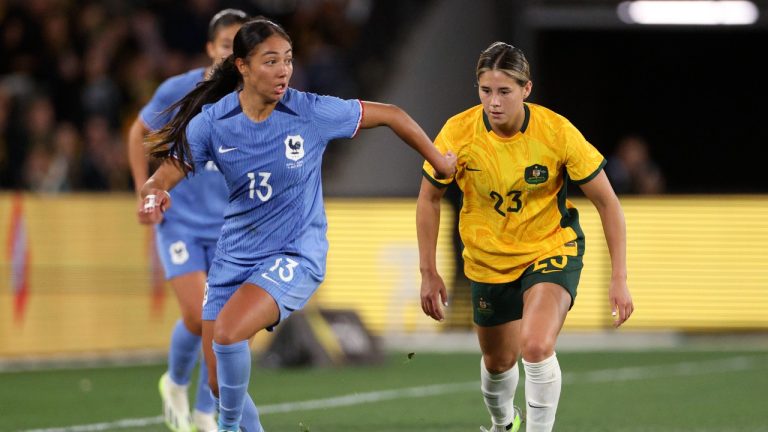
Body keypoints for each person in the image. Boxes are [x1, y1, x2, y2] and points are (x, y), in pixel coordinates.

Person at [140, 18, 456, 432]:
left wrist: (438, 159)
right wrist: (154, 193)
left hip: (295, 253)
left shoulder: (309, 111)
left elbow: (392, 115)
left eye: (288, 60)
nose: (284, 70)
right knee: (218, 382)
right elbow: (165, 173)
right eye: (271, 61)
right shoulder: (213, 122)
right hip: (233, 257)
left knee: (229, 335)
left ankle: (229, 429)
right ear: (242, 66)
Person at [417, 42, 634, 432]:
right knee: (498, 362)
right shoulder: (458, 132)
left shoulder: (556, 132)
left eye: (505, 92)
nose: (494, 102)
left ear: (527, 89)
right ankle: (504, 425)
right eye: (485, 91)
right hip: (487, 261)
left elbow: (608, 203)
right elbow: (429, 199)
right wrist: (428, 271)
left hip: (551, 247)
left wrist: (618, 277)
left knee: (534, 345)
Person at [126, 9, 250, 432]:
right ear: (210, 49)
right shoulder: (178, 90)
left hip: (229, 229)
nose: (232, 54)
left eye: (241, 48)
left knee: (224, 326)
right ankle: (175, 382)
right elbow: (136, 133)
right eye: (225, 46)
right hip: (180, 221)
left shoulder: (252, 99)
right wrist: (144, 191)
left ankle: (203, 411)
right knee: (201, 318)